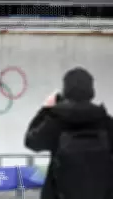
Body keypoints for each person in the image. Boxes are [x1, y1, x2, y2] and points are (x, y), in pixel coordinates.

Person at [24, 67, 113, 199]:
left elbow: (31, 141)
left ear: (66, 91)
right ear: (91, 91)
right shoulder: (105, 122)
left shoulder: (55, 121)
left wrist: (45, 110)